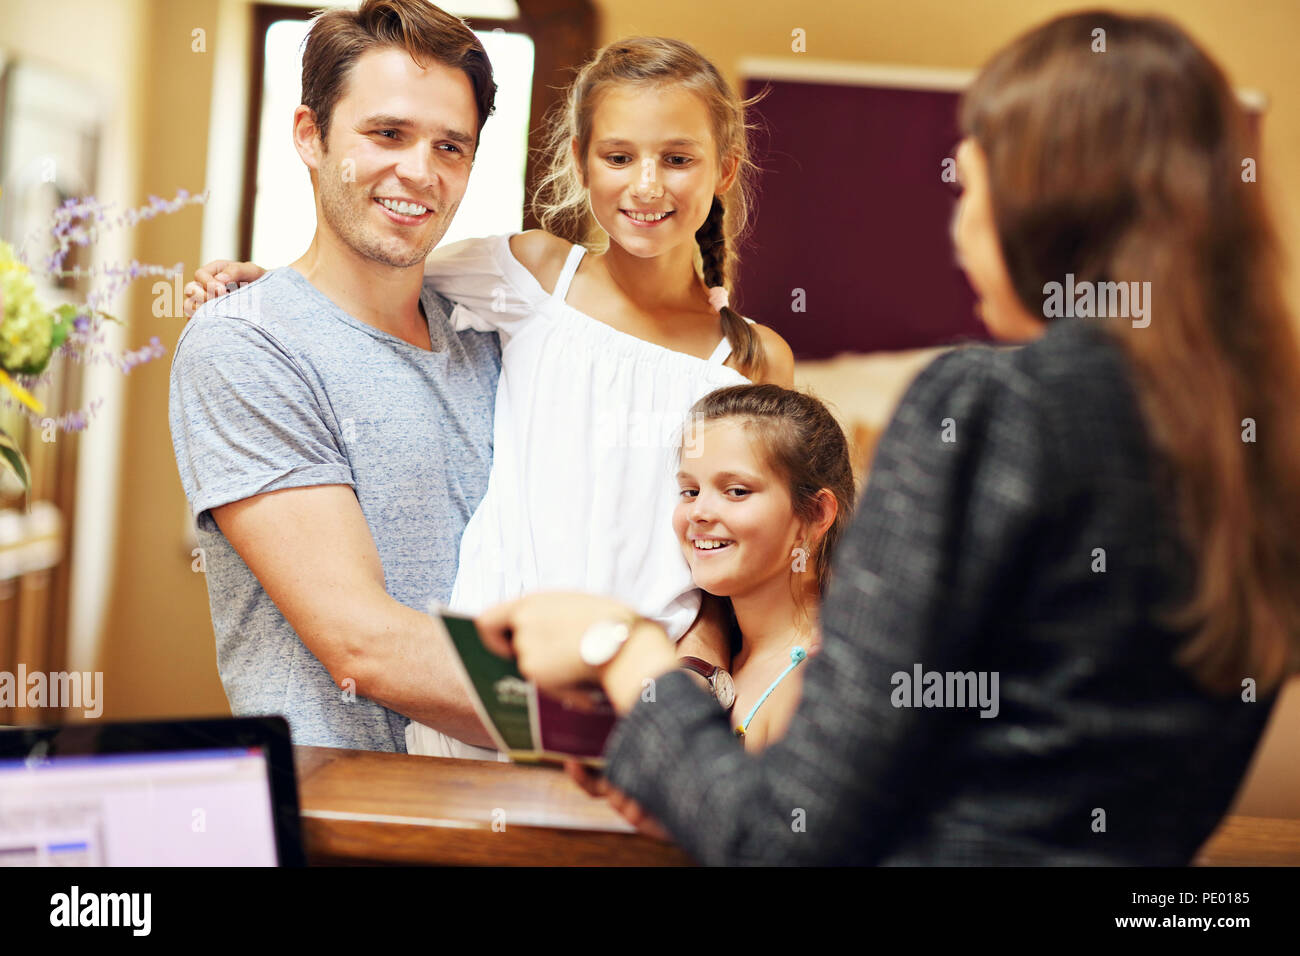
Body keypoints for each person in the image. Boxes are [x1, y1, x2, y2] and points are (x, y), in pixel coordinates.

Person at [471, 10, 1300, 864]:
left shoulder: (988, 411)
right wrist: (689, 773)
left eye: (970, 187)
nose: (959, 228)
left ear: (1042, 203)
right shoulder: (1259, 455)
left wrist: (623, 649)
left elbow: (783, 835)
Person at [187, 36, 798, 758]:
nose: (647, 186)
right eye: (619, 156)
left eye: (678, 158)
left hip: (654, 704)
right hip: (488, 698)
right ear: (579, 160)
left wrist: (693, 686)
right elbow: (373, 273)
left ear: (724, 169)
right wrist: (268, 286)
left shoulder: (754, 359)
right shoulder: (528, 278)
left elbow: (740, 568)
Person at [170, 0, 508, 757]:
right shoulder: (245, 344)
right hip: (351, 827)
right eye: (387, 133)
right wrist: (617, 723)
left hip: (523, 816)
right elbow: (364, 644)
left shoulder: (492, 337)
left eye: (450, 147)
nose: (419, 172)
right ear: (309, 136)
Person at [671, 385, 854, 752]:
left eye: (736, 491)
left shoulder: (818, 688)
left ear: (815, 514)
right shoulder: (696, 648)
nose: (698, 512)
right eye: (690, 491)